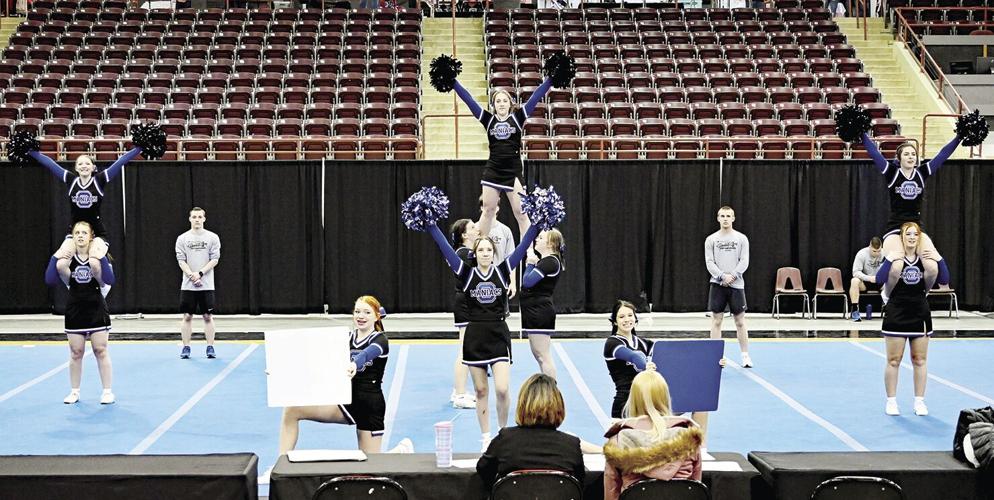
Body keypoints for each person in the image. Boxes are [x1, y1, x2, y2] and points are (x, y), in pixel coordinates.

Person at [426, 218, 540, 451]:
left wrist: (536, 225)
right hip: (475, 335)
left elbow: (521, 247)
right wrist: (431, 226)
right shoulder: (465, 273)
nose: (486, 253)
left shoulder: (503, 271)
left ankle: (502, 432)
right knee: (480, 390)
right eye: (481, 250)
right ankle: (486, 437)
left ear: (493, 253)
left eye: (489, 250)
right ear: (475, 253)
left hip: (498, 334)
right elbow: (445, 248)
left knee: (502, 388)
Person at [279, 295, 413, 454]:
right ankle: (280, 464)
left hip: (369, 405)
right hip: (346, 402)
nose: (361, 316)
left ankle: (399, 453)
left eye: (367, 312)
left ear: (377, 316)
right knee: (292, 410)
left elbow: (367, 354)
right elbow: (316, 361)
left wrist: (354, 364)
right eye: (357, 311)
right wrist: (281, 371)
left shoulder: (380, 339)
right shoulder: (346, 338)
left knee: (370, 468)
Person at [452, 75, 553, 239]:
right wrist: (454, 83)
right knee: (488, 210)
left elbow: (536, 96)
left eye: (504, 101)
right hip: (493, 169)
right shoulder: (488, 119)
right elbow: (469, 100)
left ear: (510, 103)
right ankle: (479, 249)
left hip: (512, 170)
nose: (501, 104)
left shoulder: (518, 118)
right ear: (494, 104)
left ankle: (528, 253)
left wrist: (550, 80)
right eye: (498, 101)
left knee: (521, 212)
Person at [861, 134, 962, 292]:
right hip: (895, 227)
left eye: (913, 154)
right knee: (896, 267)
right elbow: (874, 153)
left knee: (932, 268)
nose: (910, 157)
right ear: (899, 158)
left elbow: (943, 154)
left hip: (915, 227)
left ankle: (922, 295)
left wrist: (959, 137)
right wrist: (862, 134)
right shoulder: (892, 172)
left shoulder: (921, 173)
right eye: (906, 154)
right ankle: (887, 297)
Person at [44, 221, 117, 405]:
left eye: (84, 232)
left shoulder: (97, 258)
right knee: (76, 352)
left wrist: (100, 258)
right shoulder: (66, 262)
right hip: (75, 309)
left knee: (100, 350)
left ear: (91, 236)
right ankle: (74, 391)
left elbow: (110, 280)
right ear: (72, 237)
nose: (81, 236)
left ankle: (107, 391)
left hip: (96, 308)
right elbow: (50, 280)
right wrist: (55, 257)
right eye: (77, 232)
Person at [603, 370, 703, 500]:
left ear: (633, 399)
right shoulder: (690, 439)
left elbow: (611, 492)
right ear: (665, 397)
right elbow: (696, 489)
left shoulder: (617, 442)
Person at [33, 151, 142, 270]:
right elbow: (51, 164)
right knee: (61, 264)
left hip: (97, 231)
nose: (84, 166)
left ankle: (103, 285)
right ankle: (70, 285)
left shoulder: (99, 180)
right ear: (76, 168)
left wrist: (138, 148)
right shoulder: (71, 179)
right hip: (75, 230)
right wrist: (31, 152)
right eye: (80, 164)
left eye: (87, 163)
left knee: (95, 261)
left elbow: (121, 161)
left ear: (93, 167)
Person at [477, 373, 585, 491]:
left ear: (522, 406)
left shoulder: (505, 439)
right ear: (559, 407)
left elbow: (483, 470)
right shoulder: (571, 444)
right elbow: (579, 484)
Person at [875, 222, 933, 416]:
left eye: (915, 234)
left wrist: (938, 260)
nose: (911, 237)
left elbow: (941, 278)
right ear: (902, 237)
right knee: (894, 359)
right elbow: (879, 280)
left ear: (919, 238)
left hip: (919, 312)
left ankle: (919, 401)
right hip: (897, 312)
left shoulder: (924, 260)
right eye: (907, 234)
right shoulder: (896, 259)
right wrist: (889, 259)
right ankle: (891, 401)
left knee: (919, 359)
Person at [704, 206, 752, 368]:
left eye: (728, 216)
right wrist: (722, 276)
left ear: (733, 218)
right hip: (718, 284)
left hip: (736, 285)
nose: (725, 218)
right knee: (716, 321)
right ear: (718, 218)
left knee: (740, 321)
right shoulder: (711, 239)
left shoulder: (741, 239)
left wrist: (733, 276)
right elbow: (709, 262)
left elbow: (744, 260)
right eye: (722, 216)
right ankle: (715, 356)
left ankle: (745, 356)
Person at [175, 207, 221, 359]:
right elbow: (181, 260)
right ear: (189, 219)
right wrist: (191, 275)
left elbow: (214, 259)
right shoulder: (182, 239)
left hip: (206, 285)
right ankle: (186, 347)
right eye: (194, 217)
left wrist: (200, 273)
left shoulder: (213, 237)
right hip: (189, 285)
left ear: (204, 219)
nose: (197, 219)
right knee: (187, 316)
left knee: (207, 316)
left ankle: (210, 347)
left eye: (200, 217)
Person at [521, 229, 565, 378]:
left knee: (543, 356)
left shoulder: (550, 261)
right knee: (539, 355)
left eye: (540, 238)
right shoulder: (546, 261)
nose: (536, 240)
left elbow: (527, 282)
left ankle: (552, 391)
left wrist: (530, 264)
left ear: (551, 243)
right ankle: (549, 390)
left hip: (539, 311)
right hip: (534, 310)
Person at [603, 300, 656, 420]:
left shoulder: (645, 343)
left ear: (635, 318)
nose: (627, 319)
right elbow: (634, 357)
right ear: (615, 322)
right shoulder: (612, 343)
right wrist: (646, 365)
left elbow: (664, 353)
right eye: (621, 317)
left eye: (630, 315)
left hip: (646, 402)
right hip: (625, 404)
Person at [449, 218, 480, 410]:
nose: (477, 230)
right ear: (464, 235)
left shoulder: (468, 252)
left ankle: (458, 390)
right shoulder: (464, 253)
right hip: (465, 302)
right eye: (472, 228)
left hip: (468, 302)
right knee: (464, 349)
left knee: (466, 347)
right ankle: (459, 395)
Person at [850, 236, 884, 322]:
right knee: (854, 281)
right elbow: (855, 272)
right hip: (866, 282)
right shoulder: (861, 254)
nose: (877, 253)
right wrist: (868, 278)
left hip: (880, 282)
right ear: (869, 247)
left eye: (879, 251)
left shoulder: (885, 253)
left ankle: (891, 310)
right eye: (874, 251)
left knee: (893, 281)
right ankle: (854, 310)